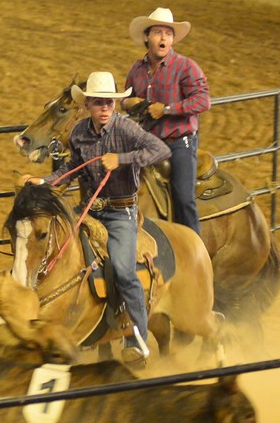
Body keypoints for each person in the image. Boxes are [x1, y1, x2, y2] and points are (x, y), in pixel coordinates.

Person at [21, 72, 170, 363]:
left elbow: (159, 149)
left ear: (115, 105)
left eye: (109, 103)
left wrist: (123, 159)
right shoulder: (78, 133)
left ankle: (136, 337)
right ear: (88, 103)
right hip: (88, 210)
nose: (104, 108)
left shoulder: (126, 129)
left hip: (120, 213)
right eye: (98, 102)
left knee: (124, 270)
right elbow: (74, 167)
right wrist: (46, 182)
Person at [123, 7, 210, 236]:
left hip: (178, 141)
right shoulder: (137, 69)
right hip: (148, 141)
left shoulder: (185, 67)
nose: (163, 38)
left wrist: (167, 109)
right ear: (147, 37)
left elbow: (202, 101)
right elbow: (126, 98)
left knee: (183, 197)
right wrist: (129, 103)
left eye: (168, 34)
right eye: (158, 33)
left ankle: (196, 248)